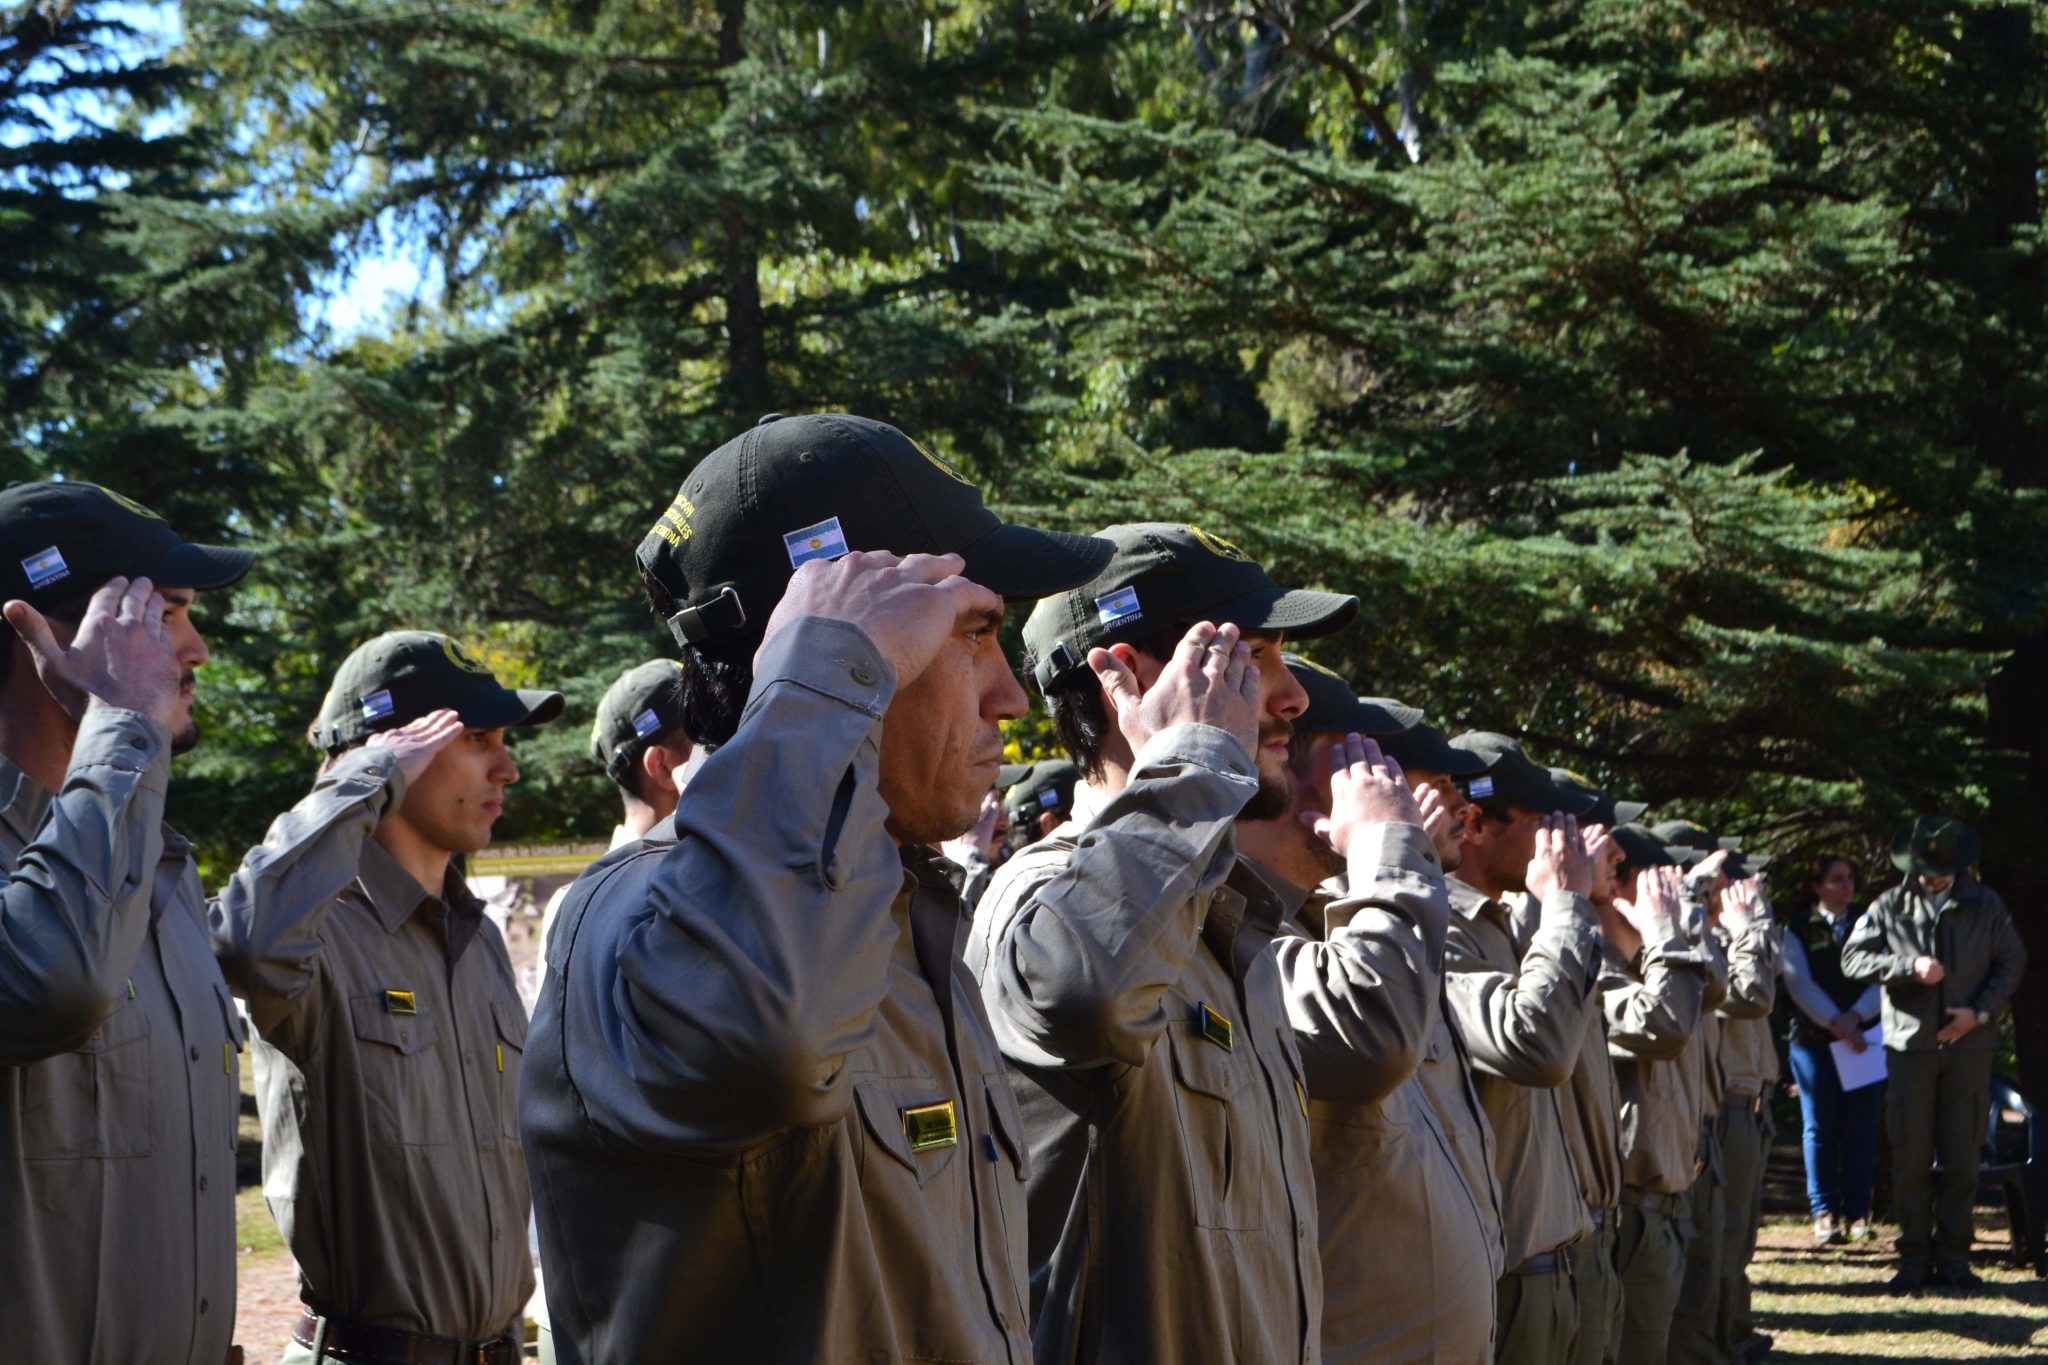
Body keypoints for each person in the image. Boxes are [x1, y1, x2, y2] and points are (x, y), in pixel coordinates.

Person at [522, 412, 1114, 1362]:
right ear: (842, 644)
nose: (1011, 695)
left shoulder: (900, 909)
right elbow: (770, 1038)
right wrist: (827, 679)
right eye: (972, 633)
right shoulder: (631, 915)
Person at [968, 523, 1357, 1363]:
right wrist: (1195, 761)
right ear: (1128, 679)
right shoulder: (1038, 895)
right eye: (1253, 656)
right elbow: (1078, 993)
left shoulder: (1227, 917)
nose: (1293, 696)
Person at [215, 631, 565, 1363]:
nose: (508, 766)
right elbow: (242, 940)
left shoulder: (482, 939)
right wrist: (364, 778)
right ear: (394, 752)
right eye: (475, 737)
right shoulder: (311, 933)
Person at [0, 481, 253, 1364]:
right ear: (50, 637)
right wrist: (123, 722)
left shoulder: (166, 869)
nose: (199, 648)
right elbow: (54, 982)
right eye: (166, 614)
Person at [1241, 656, 1478, 1363]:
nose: (1391, 789)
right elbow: (1370, 1036)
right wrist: (1387, 847)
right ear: (1283, 769)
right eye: (1359, 762)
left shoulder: (1336, 917)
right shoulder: (1248, 935)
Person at [1443, 732, 1604, 1365]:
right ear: (1477, 823)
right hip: (1510, 1279)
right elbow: (1535, 1046)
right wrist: (1566, 901)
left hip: (1557, 1263)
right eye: (1542, 824)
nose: (1559, 845)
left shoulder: (1505, 924)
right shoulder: (1439, 927)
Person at [1843, 815, 2027, 1293]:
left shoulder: (1986, 905)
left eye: (1944, 869)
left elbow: (2013, 961)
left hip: (1969, 1046)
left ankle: (1956, 1260)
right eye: (1927, 869)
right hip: (1910, 1047)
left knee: (1964, 1155)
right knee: (1910, 1155)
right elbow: (1853, 959)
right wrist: (1907, 966)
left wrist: (1980, 1014)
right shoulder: (1888, 905)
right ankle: (1913, 1259)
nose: (1935, 878)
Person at [1598, 829, 1710, 1365]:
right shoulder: (1593, 968)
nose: (1667, 898)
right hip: (1628, 1217)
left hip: (1659, 1209)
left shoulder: (1654, 965)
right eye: (1656, 886)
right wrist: (1666, 932)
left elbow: (1720, 990)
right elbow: (1662, 1024)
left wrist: (1674, 928)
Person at [1781, 853, 1882, 1247]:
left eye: (1850, 878)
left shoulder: (1869, 923)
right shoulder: (1798, 928)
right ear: (1818, 885)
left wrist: (1857, 1017)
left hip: (1863, 1041)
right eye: (1837, 879)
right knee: (1819, 1128)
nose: (1846, 885)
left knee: (1860, 1128)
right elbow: (1797, 982)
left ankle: (1858, 1214)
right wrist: (1836, 1023)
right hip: (1813, 1044)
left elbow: (1883, 975)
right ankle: (1824, 1213)